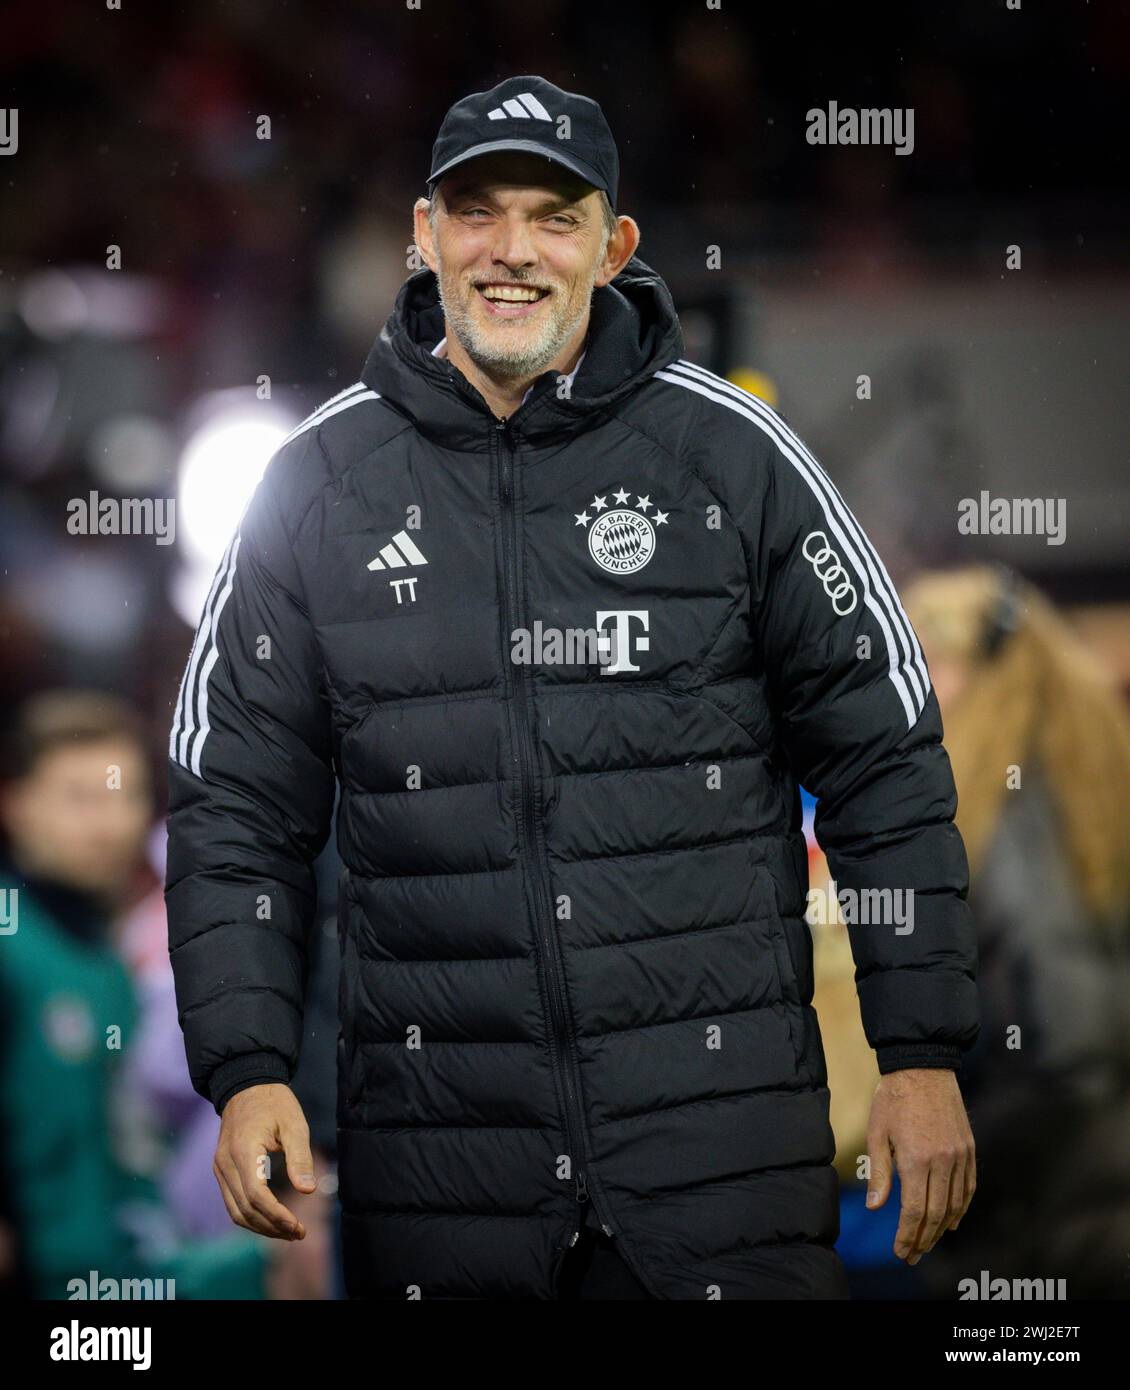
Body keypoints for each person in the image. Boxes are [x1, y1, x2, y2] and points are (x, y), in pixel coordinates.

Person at [165, 74, 979, 1300]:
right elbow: (233, 814)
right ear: (423, 234)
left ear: (614, 246)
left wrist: (918, 1055)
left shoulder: (737, 460)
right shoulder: (313, 487)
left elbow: (886, 766)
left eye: (555, 216)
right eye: (477, 211)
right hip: (444, 1186)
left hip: (722, 1173)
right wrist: (246, 1066)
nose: (512, 250)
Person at [900, 565, 1130, 1299]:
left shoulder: (1015, 817)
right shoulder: (1080, 789)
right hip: (1082, 1209)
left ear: (984, 674)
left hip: (1042, 1232)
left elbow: (1069, 1044)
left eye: (929, 663)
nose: (911, 688)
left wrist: (945, 1157)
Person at [0, 690, 269, 1298]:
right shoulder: (13, 941)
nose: (109, 823)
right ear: (15, 803)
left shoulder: (106, 956)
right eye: (79, 798)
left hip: (121, 1274)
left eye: (124, 795)